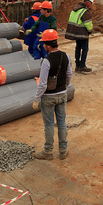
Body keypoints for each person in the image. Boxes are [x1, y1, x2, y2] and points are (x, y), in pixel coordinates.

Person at [32, 30, 72, 160]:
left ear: (48, 45)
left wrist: (37, 99)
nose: (43, 45)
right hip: (62, 95)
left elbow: (42, 84)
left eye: (43, 43)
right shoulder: (66, 56)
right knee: (61, 122)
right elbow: (69, 74)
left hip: (48, 97)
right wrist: (64, 87)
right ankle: (63, 150)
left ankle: (48, 152)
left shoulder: (46, 61)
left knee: (49, 124)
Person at [65, 0, 95, 73]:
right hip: (82, 34)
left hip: (75, 33)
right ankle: (82, 66)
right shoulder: (85, 11)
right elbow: (88, 24)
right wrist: (91, 30)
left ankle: (77, 66)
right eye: (91, 3)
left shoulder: (75, 9)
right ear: (88, 3)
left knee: (78, 48)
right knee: (85, 49)